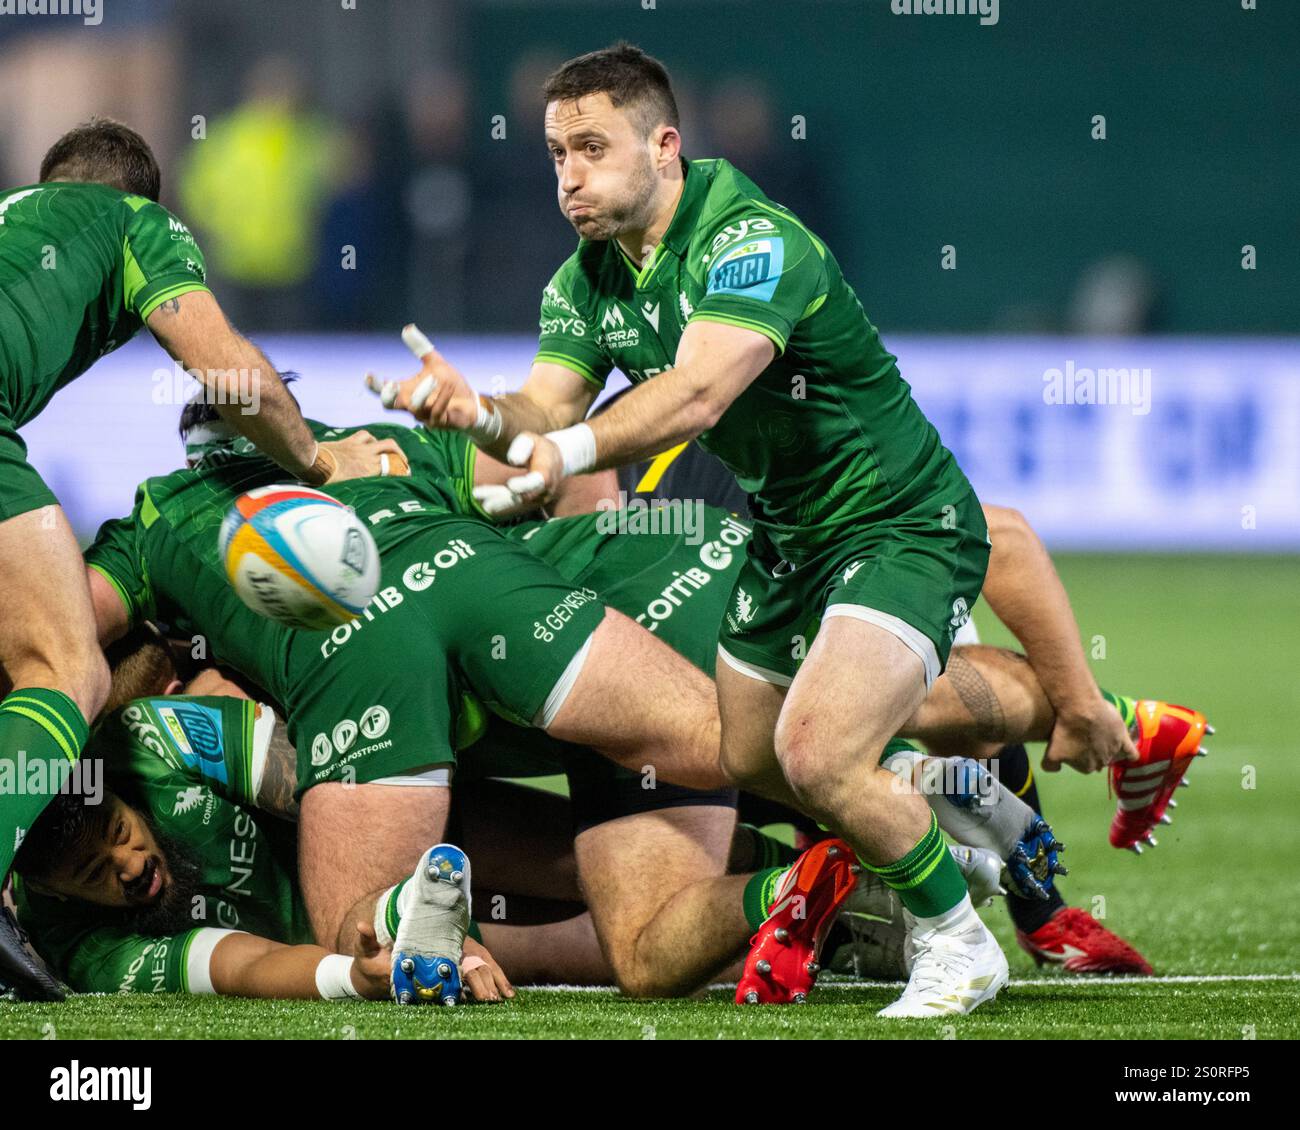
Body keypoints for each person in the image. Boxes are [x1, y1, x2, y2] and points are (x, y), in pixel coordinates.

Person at [365, 42, 1130, 1015]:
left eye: (590, 148)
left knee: (819, 749)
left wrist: (565, 453)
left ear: (665, 145)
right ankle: (940, 795)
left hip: (890, 522)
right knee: (755, 755)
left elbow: (689, 395)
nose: (567, 177)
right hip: (792, 539)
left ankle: (960, 924)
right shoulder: (587, 281)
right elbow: (546, 405)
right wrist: (479, 413)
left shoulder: (750, 240)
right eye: (555, 153)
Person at [0, 119, 401, 979]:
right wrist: (322, 460)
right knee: (68, 670)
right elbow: (232, 376)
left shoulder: (19, 230)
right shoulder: (132, 222)